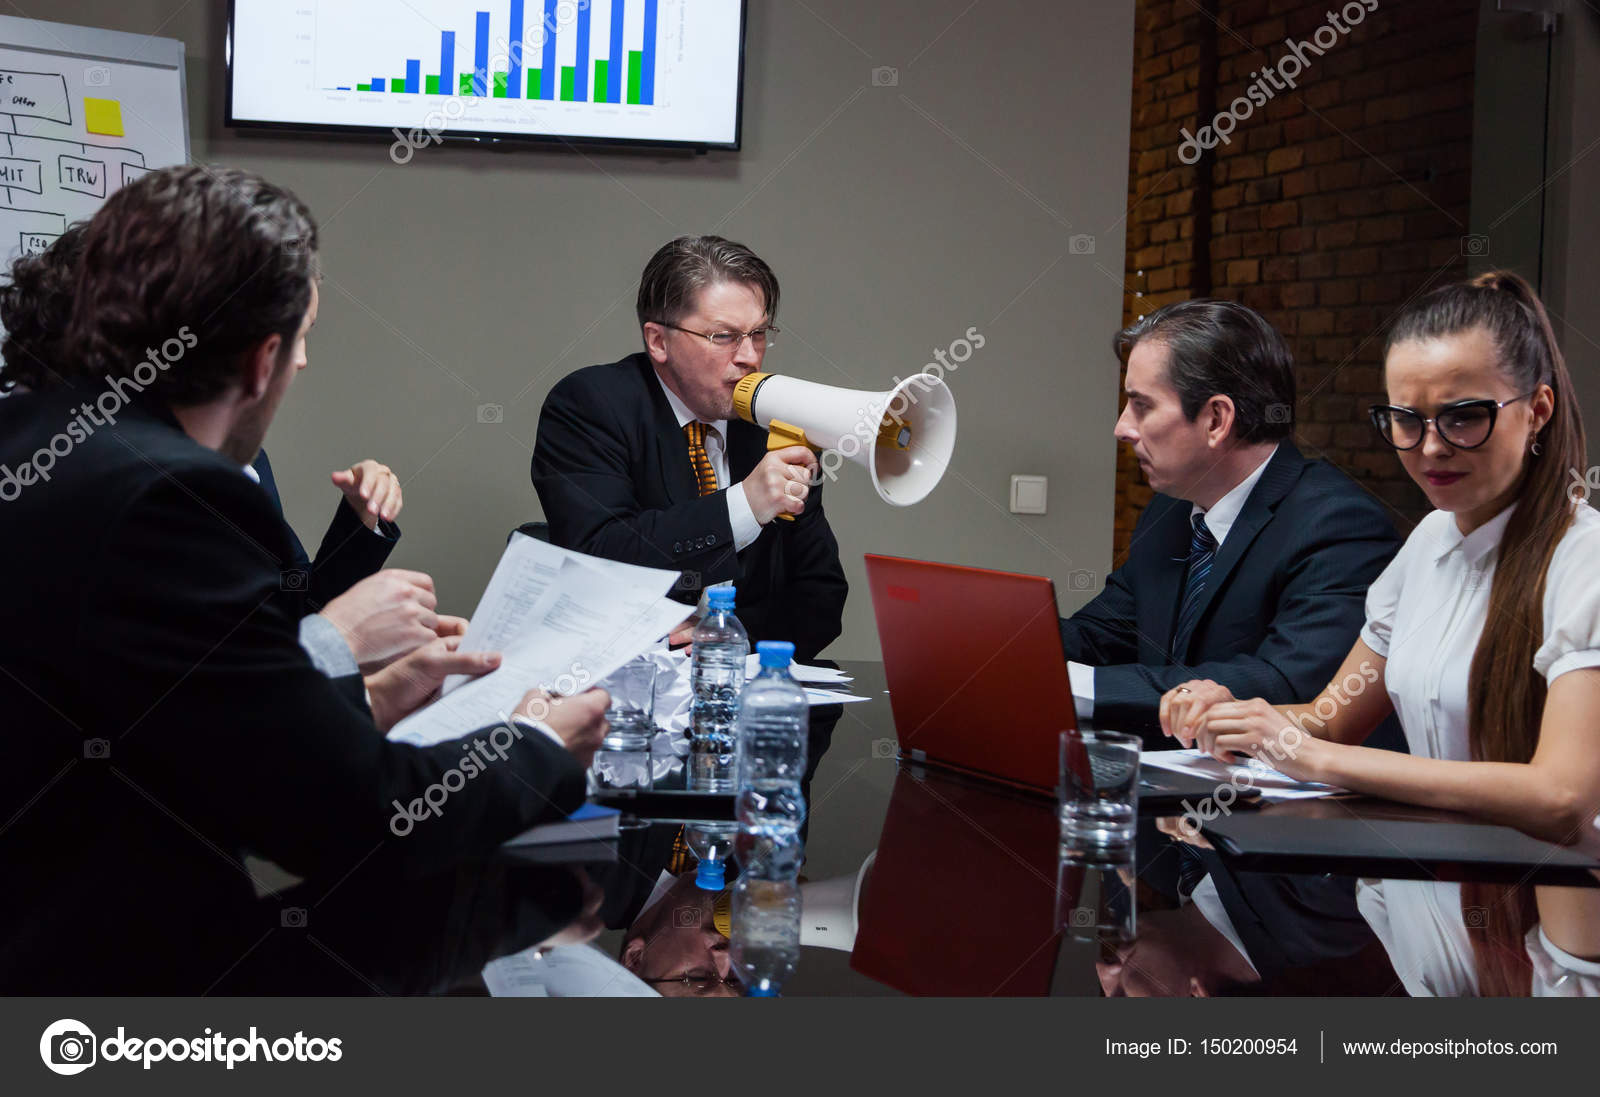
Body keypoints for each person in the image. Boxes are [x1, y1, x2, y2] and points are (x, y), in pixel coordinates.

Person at [0, 165, 609, 993]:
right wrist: (535, 745)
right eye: (304, 337)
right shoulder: (171, 495)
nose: (306, 362)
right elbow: (361, 822)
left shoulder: (34, 438)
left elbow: (172, 722)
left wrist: (360, 699)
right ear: (261, 361)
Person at [1163, 271, 1600, 997]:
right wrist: (1236, 713)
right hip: (1432, 942)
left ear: (1538, 410)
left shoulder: (1582, 559)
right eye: (1405, 419)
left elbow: (1561, 796)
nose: (1431, 447)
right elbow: (1328, 719)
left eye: (1464, 415)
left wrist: (1320, 758)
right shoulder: (1427, 544)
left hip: (1552, 958)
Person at [1060, 299, 1404, 987]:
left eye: (1140, 405)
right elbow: (1101, 633)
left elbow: (1283, 682)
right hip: (1173, 845)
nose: (1122, 429)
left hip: (1302, 882)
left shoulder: (1339, 521)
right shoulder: (1171, 513)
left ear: (1216, 419)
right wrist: (998, 648)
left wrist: (1072, 683)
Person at [0, 224, 451, 677]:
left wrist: (359, 528)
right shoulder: (84, 480)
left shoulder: (232, 455)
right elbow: (184, 697)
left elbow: (289, 607)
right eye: (290, 334)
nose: (301, 360)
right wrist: (342, 642)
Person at [531, 235, 847, 664]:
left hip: (738, 685)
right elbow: (600, 556)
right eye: (724, 336)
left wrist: (729, 640)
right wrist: (743, 506)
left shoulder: (773, 421)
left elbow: (821, 593)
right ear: (658, 341)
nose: (750, 357)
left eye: (758, 333)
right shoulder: (590, 405)